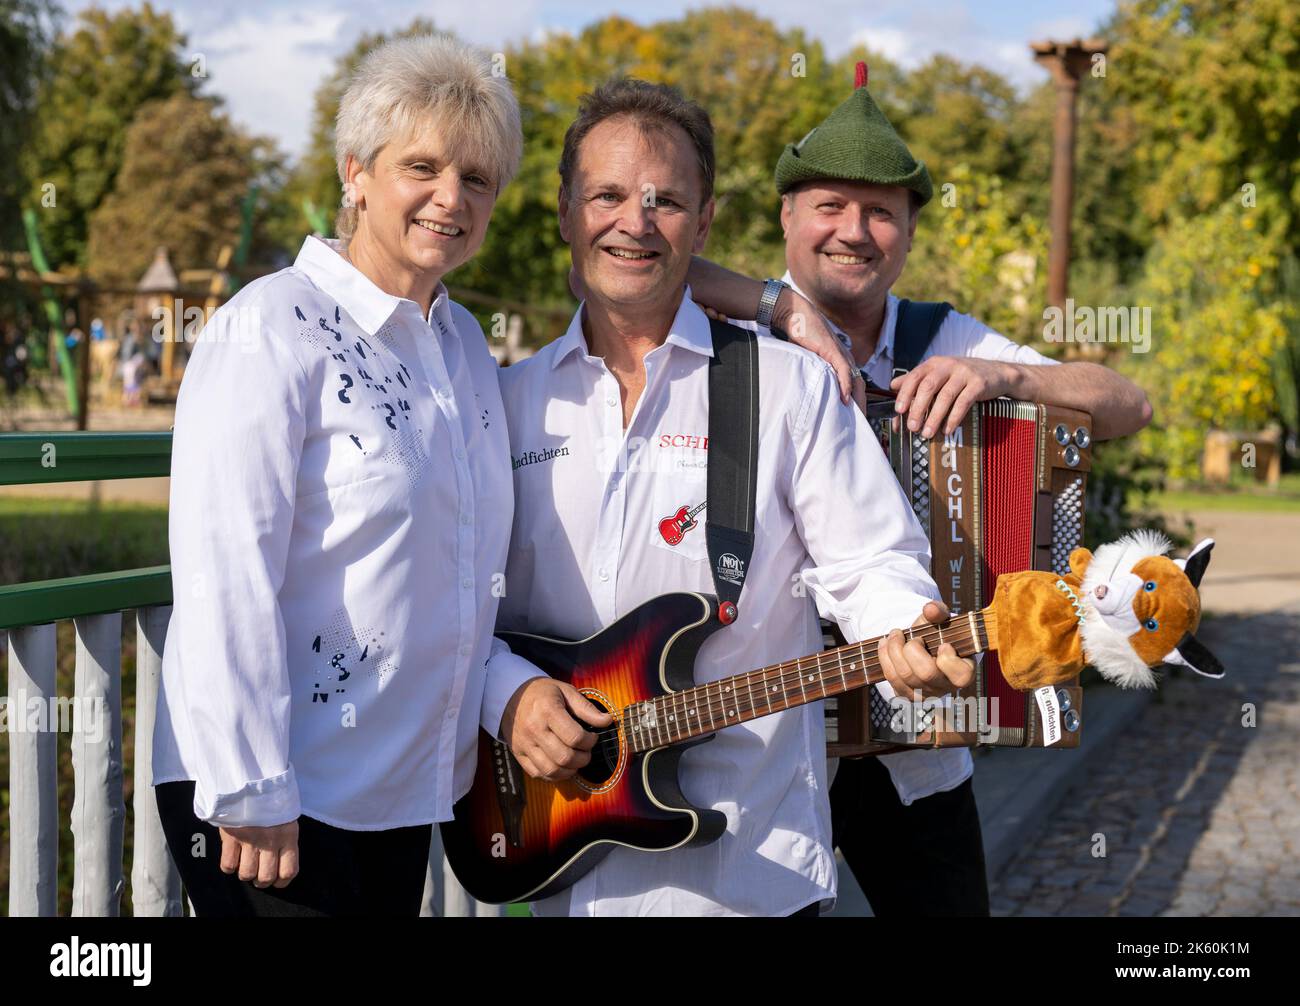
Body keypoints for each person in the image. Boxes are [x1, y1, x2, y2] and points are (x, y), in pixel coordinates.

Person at [492, 77, 974, 917]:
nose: (635, 222)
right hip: (553, 853)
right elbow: (460, 603)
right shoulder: (504, 401)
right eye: (607, 195)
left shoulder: (787, 387)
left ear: (704, 221)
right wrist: (510, 694)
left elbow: (873, 563)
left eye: (666, 201)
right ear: (566, 211)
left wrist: (908, 632)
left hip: (751, 871)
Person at [682, 62, 1153, 916]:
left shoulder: (944, 335)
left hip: (917, 740)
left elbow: (1128, 405)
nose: (853, 231)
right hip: (761, 739)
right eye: (829, 206)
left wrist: (1003, 371)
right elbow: (616, 272)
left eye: (881, 213)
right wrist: (779, 310)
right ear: (787, 217)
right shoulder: (725, 326)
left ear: (906, 233)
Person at [151, 33, 539, 917]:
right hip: (278, 790)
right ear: (355, 172)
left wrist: (768, 299)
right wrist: (252, 787)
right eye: (424, 167)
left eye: (477, 180)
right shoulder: (271, 328)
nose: (452, 198)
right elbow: (224, 566)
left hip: (402, 792)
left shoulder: (465, 346)